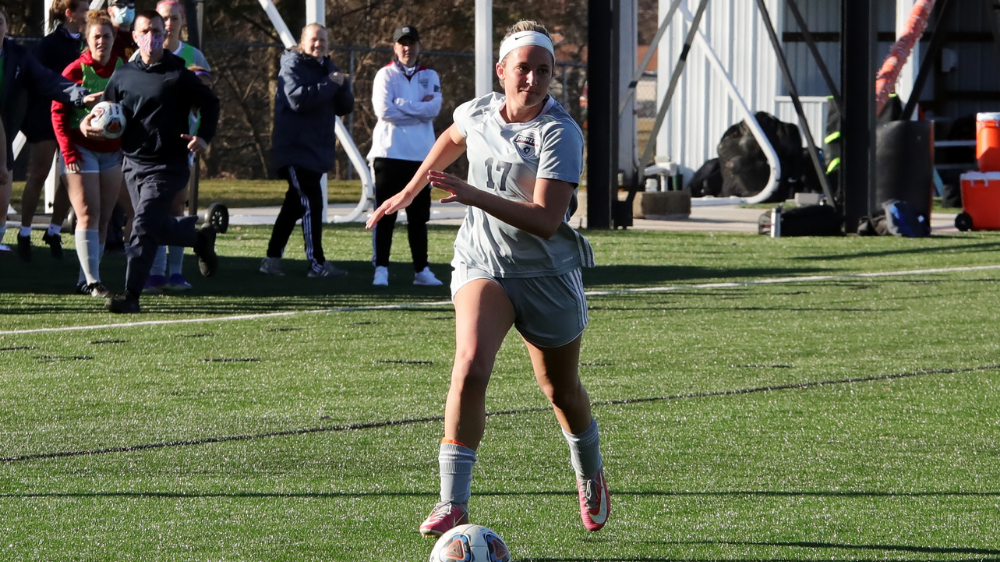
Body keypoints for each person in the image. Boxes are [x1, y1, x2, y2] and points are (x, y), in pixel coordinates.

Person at [366, 21, 608, 537]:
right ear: (502, 71)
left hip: (546, 274)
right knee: (471, 366)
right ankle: (453, 501)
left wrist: (472, 194)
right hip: (484, 262)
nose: (533, 79)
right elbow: (452, 137)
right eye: (523, 69)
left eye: (544, 71)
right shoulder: (477, 111)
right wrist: (410, 192)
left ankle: (589, 473)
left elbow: (545, 219)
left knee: (559, 389)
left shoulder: (559, 133)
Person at [84, 9, 219, 313]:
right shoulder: (123, 75)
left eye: (157, 32)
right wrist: (87, 125)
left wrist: (204, 138)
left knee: (142, 226)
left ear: (164, 36)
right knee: (151, 225)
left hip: (169, 164)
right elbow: (105, 113)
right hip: (133, 164)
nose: (152, 38)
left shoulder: (178, 74)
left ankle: (131, 296)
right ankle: (198, 238)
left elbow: (211, 103)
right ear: (134, 37)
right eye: (145, 32)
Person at [0, 4, 97, 255]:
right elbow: (40, 86)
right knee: (37, 174)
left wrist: (80, 96)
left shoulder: (16, 54)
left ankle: (48, 231)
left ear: (7, 26)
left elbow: (47, 79)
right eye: (82, 7)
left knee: (4, 193)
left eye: (1, 21)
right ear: (69, 12)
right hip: (43, 122)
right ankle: (24, 232)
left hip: (12, 131)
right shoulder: (48, 44)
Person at [259, 23, 353, 278]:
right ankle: (317, 263)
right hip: (295, 149)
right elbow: (298, 99)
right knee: (312, 203)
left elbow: (345, 107)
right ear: (302, 42)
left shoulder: (327, 67)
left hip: (316, 150)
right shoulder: (292, 65)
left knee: (294, 206)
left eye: (322, 40)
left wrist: (343, 85)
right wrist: (331, 84)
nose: (318, 44)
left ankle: (271, 259)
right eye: (313, 39)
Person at [52, 10, 124, 297]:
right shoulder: (75, 70)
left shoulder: (123, 69)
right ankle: (93, 282)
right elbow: (58, 112)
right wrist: (68, 151)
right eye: (96, 36)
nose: (101, 42)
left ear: (113, 38)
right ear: (87, 38)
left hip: (111, 153)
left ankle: (87, 277)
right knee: (87, 214)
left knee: (104, 218)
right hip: (80, 151)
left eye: (107, 36)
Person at [142, 0, 211, 294]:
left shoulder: (194, 56)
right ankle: (155, 273)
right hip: (148, 146)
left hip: (182, 145)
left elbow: (208, 100)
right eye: (163, 18)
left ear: (183, 20)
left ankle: (176, 272)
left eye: (174, 18)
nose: (168, 24)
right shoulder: (144, 53)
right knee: (152, 208)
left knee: (176, 204)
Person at [366, 25, 443, 287]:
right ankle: (381, 269)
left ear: (419, 46)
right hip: (388, 153)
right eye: (402, 43)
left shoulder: (430, 74)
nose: (407, 48)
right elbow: (383, 111)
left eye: (411, 43)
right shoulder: (385, 75)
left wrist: (402, 105)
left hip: (422, 157)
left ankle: (421, 270)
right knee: (386, 213)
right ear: (395, 47)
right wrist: (417, 109)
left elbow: (433, 109)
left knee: (418, 217)